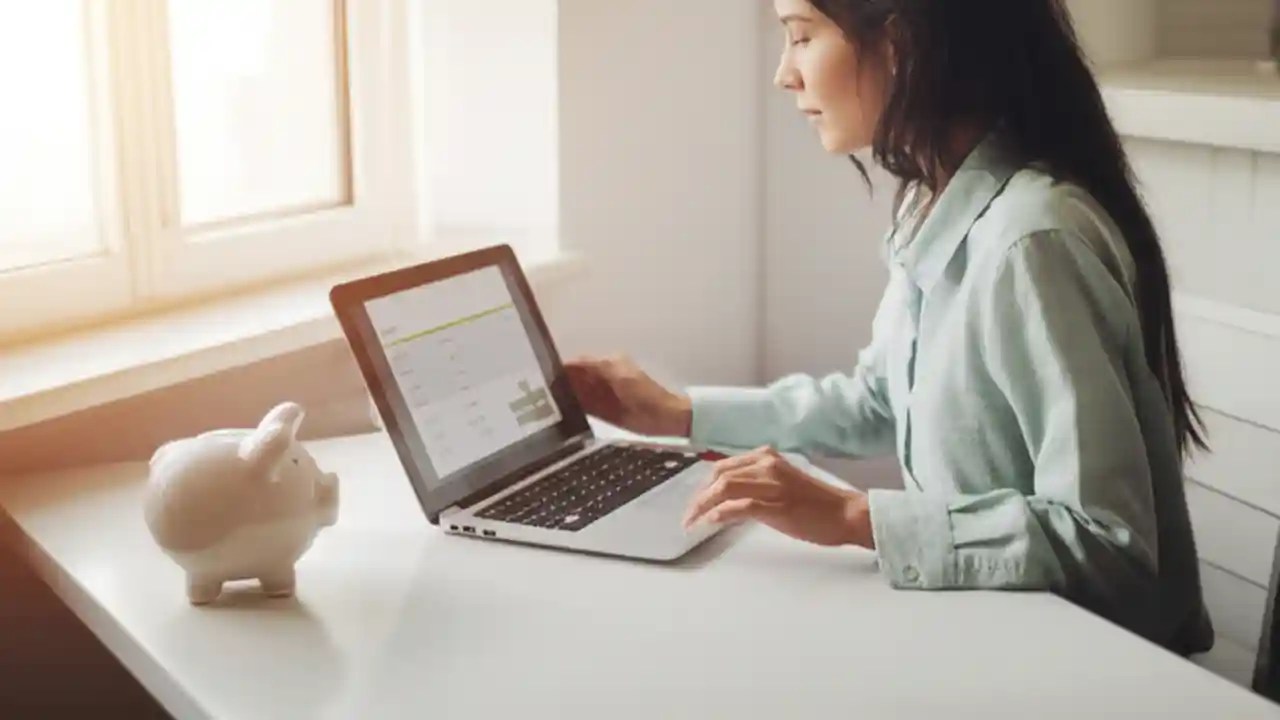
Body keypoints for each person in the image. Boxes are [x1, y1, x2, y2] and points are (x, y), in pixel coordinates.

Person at [564, 0, 1214, 655]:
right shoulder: (933, 202)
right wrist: (680, 413)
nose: (784, 74)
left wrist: (856, 518)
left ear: (901, 44)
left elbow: (1112, 547)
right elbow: (881, 402)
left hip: (1082, 666)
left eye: (800, 36)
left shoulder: (1030, 243)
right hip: (986, 637)